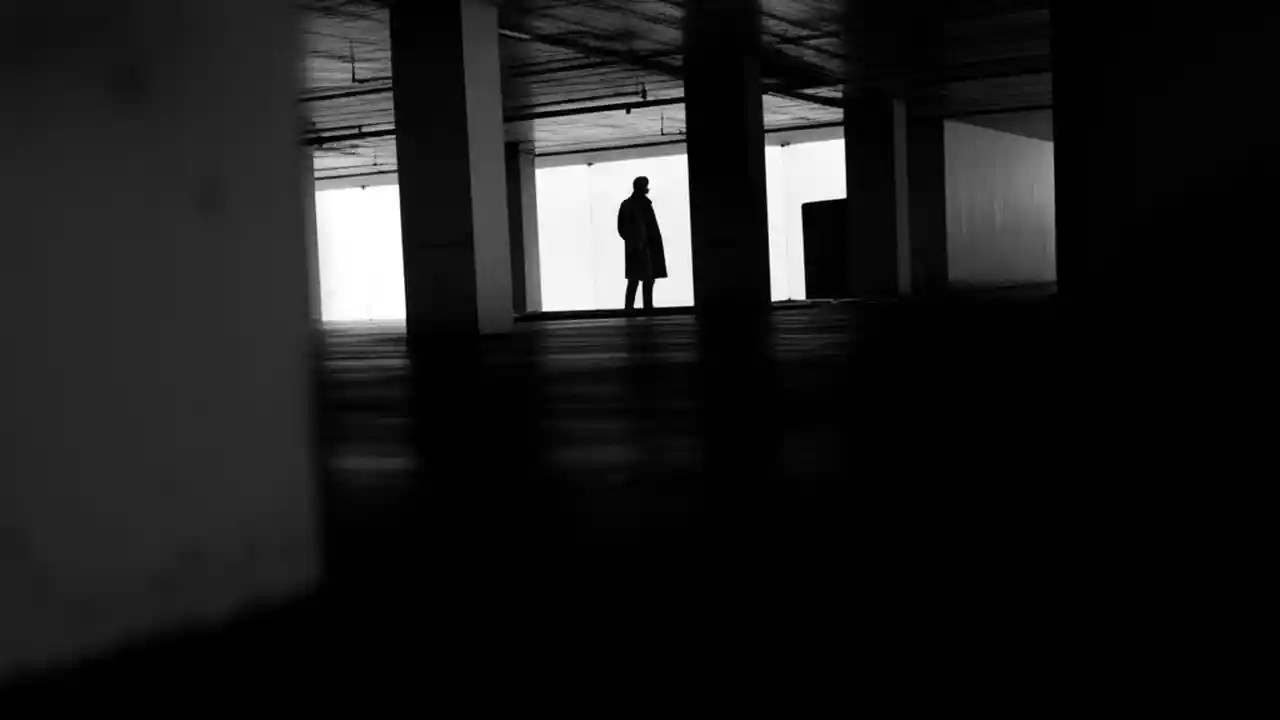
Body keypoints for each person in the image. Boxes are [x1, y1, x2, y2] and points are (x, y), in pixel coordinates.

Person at [616, 176, 667, 313]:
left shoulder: (631, 204)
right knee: (641, 278)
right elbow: (624, 227)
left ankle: (634, 307)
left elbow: (622, 228)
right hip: (639, 247)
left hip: (641, 246)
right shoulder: (636, 205)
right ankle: (642, 307)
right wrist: (635, 241)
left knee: (640, 278)